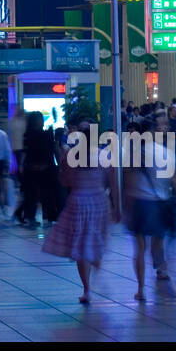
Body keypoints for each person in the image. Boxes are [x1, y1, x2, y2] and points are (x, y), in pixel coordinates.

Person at [43, 120, 119, 304]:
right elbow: (113, 183)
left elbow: (65, 182)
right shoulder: (105, 156)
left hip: (77, 202)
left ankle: (86, 289)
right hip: (99, 203)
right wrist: (117, 206)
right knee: (95, 242)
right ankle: (98, 274)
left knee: (80, 247)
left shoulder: (70, 156)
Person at [125, 123, 176, 299]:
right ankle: (161, 268)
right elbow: (174, 179)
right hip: (160, 202)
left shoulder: (134, 154)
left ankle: (140, 289)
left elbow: (128, 180)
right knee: (158, 241)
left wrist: (124, 205)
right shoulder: (164, 153)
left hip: (140, 202)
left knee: (139, 248)